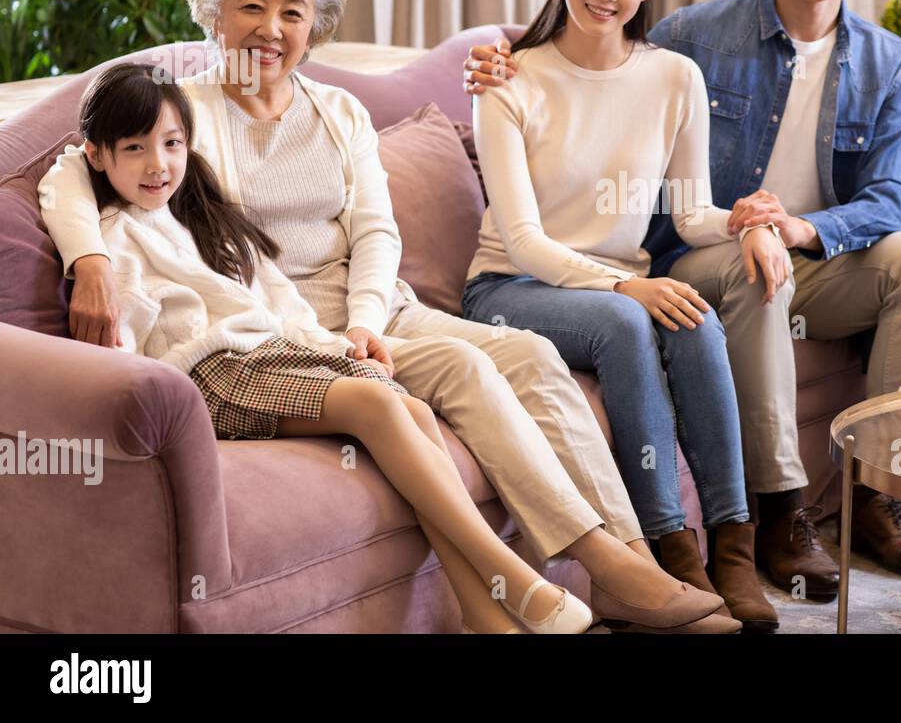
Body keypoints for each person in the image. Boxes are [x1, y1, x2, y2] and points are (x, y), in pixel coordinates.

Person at [39, 0, 726, 634]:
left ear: (316, 28)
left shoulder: (338, 110)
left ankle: (620, 557)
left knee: (529, 354)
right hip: (281, 325)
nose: (271, 28)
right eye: (251, 6)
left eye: (292, 12)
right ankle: (604, 569)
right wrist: (89, 262)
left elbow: (375, 229)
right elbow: (68, 168)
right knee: (464, 367)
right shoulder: (184, 114)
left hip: (374, 307)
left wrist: (368, 320)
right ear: (213, 14)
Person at [465, 0, 901, 594]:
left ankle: (869, 498)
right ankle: (755, 522)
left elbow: (890, 198)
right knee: (730, 281)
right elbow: (582, 67)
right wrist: (491, 61)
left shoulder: (883, 63)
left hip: (792, 254)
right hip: (592, 275)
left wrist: (781, 225)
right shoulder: (694, 38)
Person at [73, 63, 594, 633]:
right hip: (210, 374)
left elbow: (274, 296)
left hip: (273, 352)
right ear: (98, 155)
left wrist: (332, 346)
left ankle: (480, 614)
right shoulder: (111, 238)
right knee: (374, 406)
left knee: (407, 405)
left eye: (171, 144)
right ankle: (515, 579)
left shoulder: (200, 213)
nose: (158, 164)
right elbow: (121, 350)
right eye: (135, 148)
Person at [460, 0, 780, 633]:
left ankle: (732, 545)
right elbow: (526, 238)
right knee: (629, 321)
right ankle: (671, 555)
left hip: (611, 287)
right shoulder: (507, 83)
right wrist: (625, 284)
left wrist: (747, 220)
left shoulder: (674, 78)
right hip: (510, 287)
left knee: (689, 315)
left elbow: (690, 214)